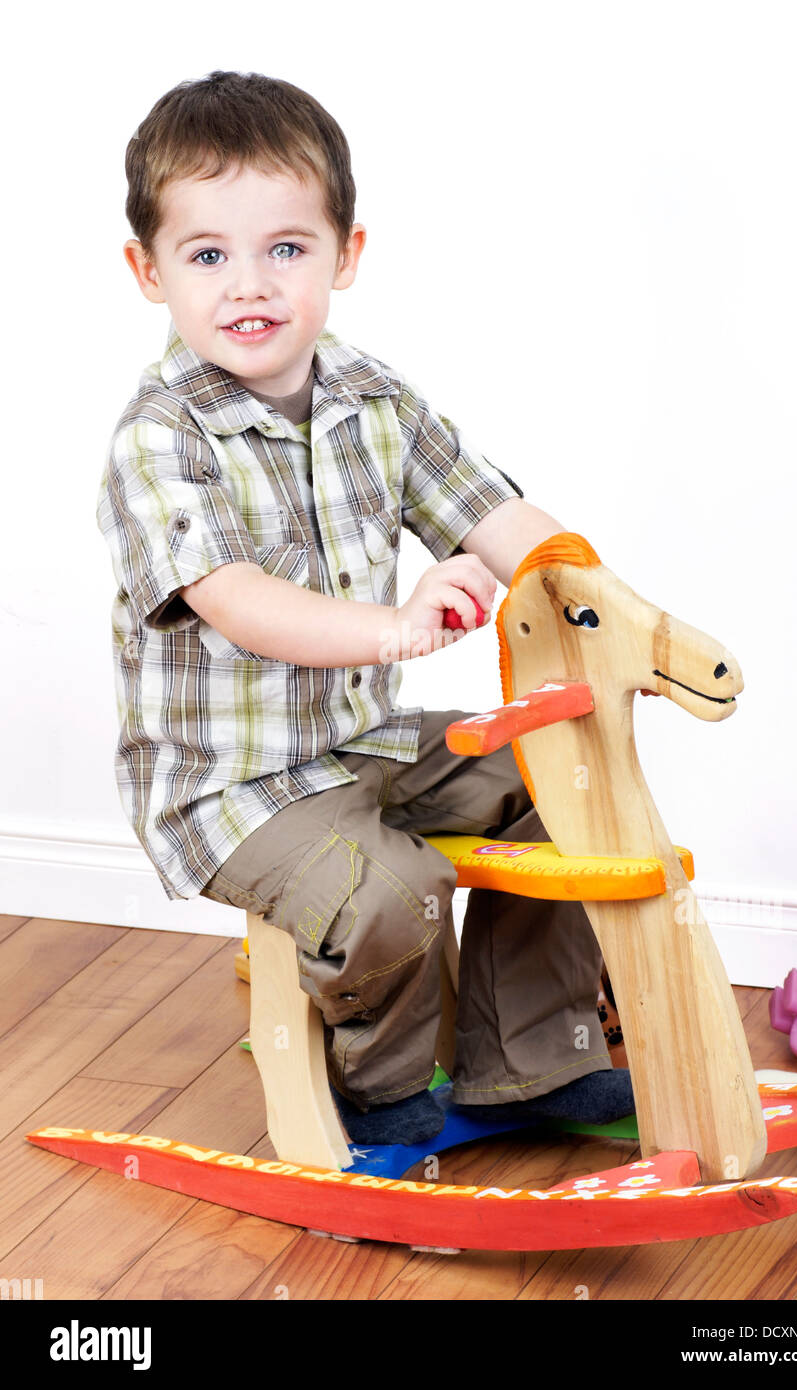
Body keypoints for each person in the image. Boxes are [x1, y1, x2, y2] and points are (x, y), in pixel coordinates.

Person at [97, 70, 634, 1145]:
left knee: (561, 778)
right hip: (230, 787)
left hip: (364, 740)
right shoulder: (158, 438)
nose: (248, 285)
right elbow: (238, 601)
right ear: (148, 271)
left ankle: (527, 1060)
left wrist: (613, 609)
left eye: (285, 248)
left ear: (344, 254)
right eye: (207, 255)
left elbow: (493, 516)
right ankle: (381, 1093)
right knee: (393, 887)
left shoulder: (371, 398)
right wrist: (396, 626)